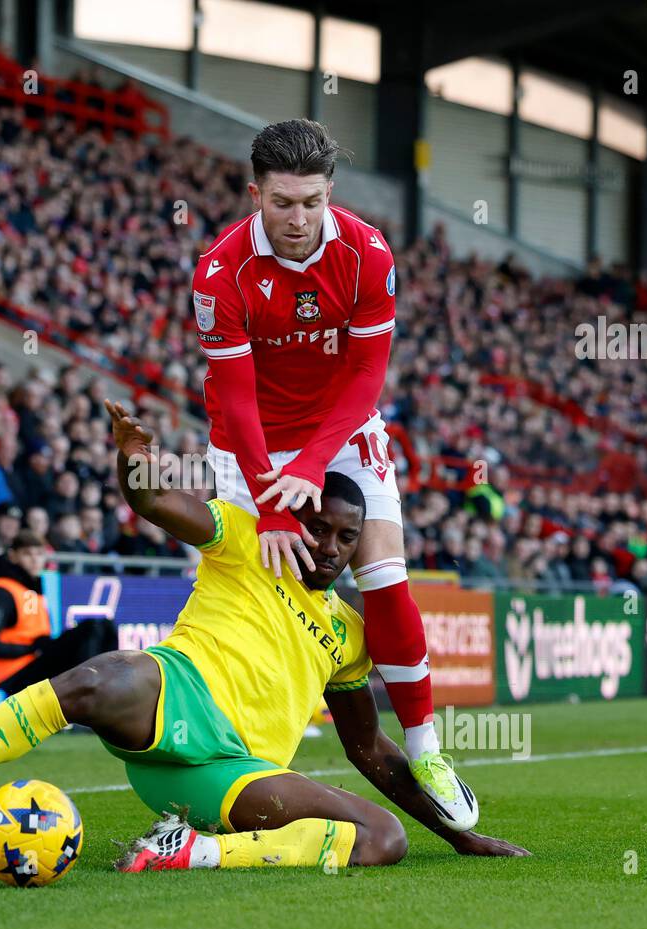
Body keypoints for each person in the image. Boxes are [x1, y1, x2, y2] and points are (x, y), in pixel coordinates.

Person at [0, 401, 526, 869]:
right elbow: (152, 498)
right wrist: (133, 457)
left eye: (346, 536)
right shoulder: (246, 537)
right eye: (319, 527)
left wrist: (458, 834)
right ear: (294, 517)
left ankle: (189, 853)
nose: (331, 546)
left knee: (382, 841)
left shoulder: (352, 636)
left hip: (231, 775)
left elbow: (369, 749)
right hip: (173, 696)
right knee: (96, 678)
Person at [190, 119, 472, 825]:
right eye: (283, 202)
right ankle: (218, 774)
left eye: (312, 201)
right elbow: (236, 395)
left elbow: (365, 376)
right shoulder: (220, 273)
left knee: (382, 573)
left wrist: (316, 465)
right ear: (256, 194)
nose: (298, 218)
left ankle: (427, 749)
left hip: (341, 431)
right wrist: (273, 498)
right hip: (250, 445)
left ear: (329, 193)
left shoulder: (369, 255)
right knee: (257, 609)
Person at [0, 529, 118, 697]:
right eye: (27, 554)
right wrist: (31, 649)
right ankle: (89, 693)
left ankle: (105, 690)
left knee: (105, 625)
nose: (35, 560)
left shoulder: (29, 588)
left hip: (33, 664)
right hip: (15, 674)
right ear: (13, 556)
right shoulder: (2, 591)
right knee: (90, 629)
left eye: (39, 554)